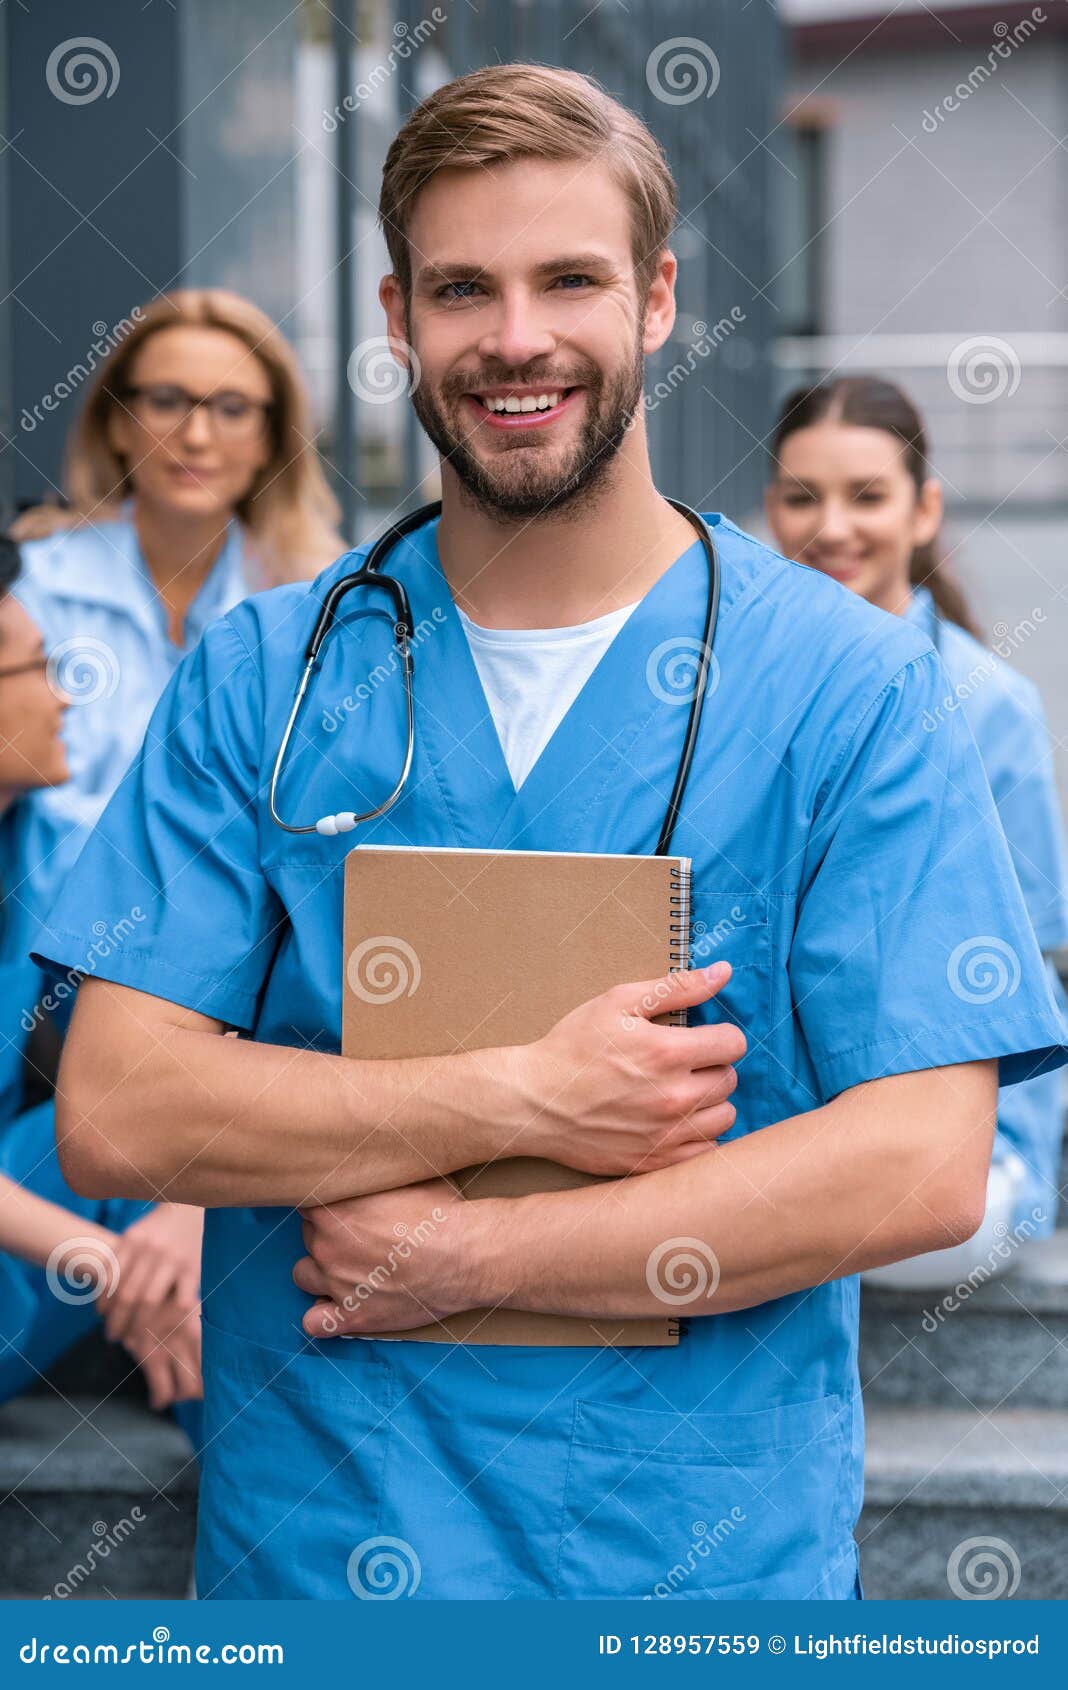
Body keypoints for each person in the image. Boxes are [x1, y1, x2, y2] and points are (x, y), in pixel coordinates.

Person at [32, 65, 1066, 1602]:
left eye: (569, 279)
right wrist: (529, 1091)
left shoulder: (850, 687)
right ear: (398, 319)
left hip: (697, 1566)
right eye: (463, 289)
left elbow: (922, 1161)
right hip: (329, 1543)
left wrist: (473, 1258)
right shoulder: (266, 675)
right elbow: (119, 1108)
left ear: (658, 299)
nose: (516, 338)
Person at [765, 375, 1068, 1288]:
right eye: (802, 497)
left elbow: (1033, 961)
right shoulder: (735, 692)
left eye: (867, 496)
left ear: (924, 510)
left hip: (953, 1146)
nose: (832, 527)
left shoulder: (994, 709)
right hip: (776, 1117)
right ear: (769, 509)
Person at [10, 288, 344, 858]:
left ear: (269, 439)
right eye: (166, 402)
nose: (196, 437)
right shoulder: (28, 588)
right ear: (118, 425)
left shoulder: (318, 607)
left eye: (232, 409)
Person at [0, 535, 202, 1431]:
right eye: (37, 668)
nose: (66, 694)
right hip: (39, 1251)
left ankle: (244, 1470)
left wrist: (187, 1212)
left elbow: (168, 1055)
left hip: (28, 1238)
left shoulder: (43, 849)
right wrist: (116, 1264)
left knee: (131, 1132)